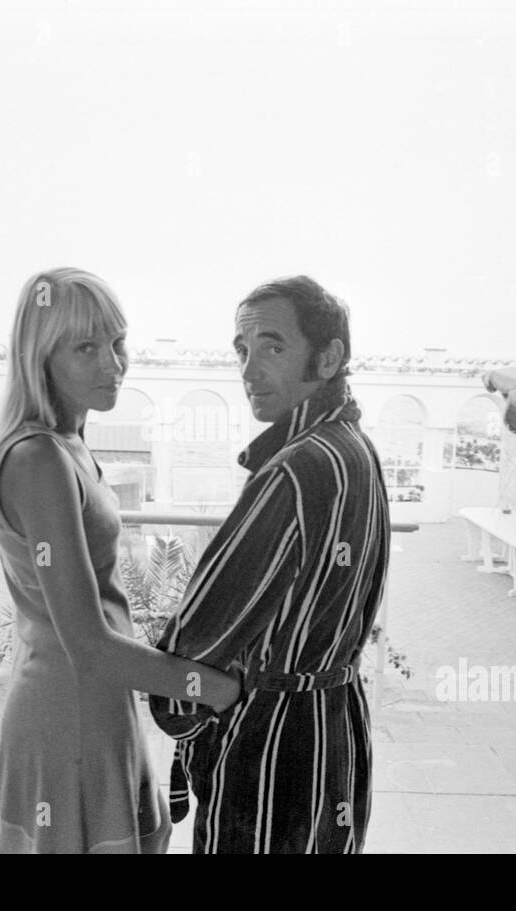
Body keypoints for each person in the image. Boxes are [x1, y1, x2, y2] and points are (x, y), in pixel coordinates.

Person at [0, 267, 241, 854]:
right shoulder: (39, 459)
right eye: (85, 347)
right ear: (40, 356)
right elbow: (91, 646)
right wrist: (218, 690)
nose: (112, 364)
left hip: (84, 703)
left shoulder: (63, 445)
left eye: (117, 342)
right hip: (70, 713)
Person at [149, 275, 391, 854]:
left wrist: (195, 712)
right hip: (335, 734)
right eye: (242, 349)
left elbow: (192, 645)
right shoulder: (355, 451)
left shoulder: (293, 472)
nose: (250, 369)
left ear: (328, 357)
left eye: (273, 346)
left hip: (271, 755)